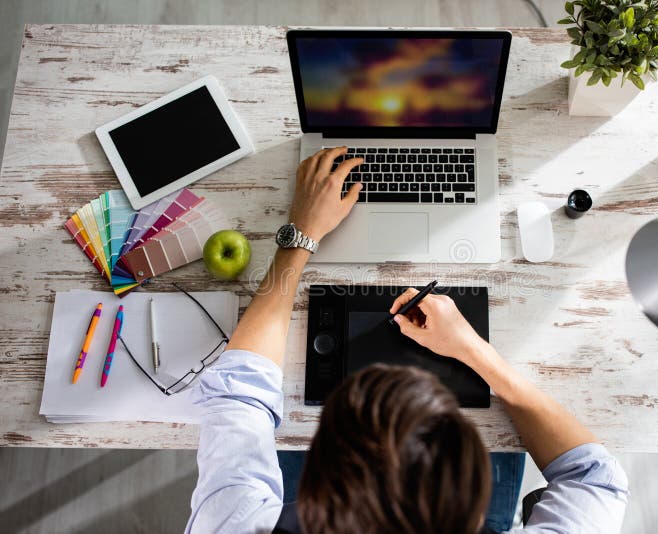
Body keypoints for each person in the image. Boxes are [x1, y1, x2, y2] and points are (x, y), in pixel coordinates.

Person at [186, 147, 629, 534]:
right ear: (475, 494)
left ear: (315, 476)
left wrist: (300, 236)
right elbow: (596, 479)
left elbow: (239, 391)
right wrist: (474, 352)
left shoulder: (233, 523)